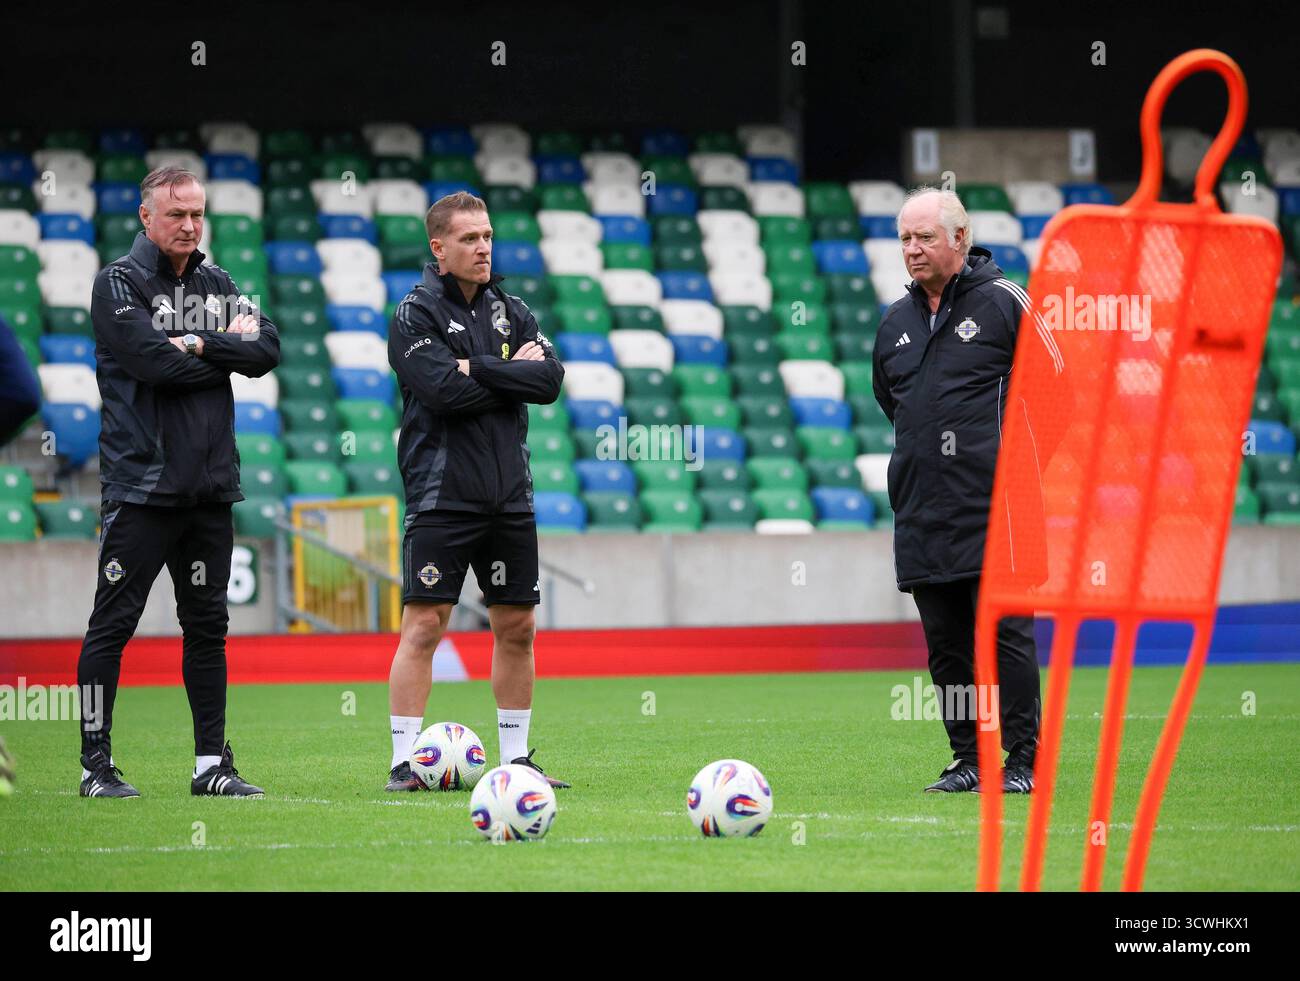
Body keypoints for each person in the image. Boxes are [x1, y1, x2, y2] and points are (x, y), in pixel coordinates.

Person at [76, 166, 279, 798]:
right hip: (141, 489)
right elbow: (154, 366)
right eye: (176, 215)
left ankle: (210, 765)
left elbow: (267, 350)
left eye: (196, 214)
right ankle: (94, 765)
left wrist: (194, 342)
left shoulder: (217, 280)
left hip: (209, 490)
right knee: (112, 627)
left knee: (208, 628)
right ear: (146, 217)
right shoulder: (117, 283)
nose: (189, 226)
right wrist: (218, 350)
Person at [873, 187, 1067, 794]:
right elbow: (893, 402)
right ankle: (969, 759)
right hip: (924, 508)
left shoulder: (1006, 303)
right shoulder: (894, 323)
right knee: (947, 644)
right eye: (905, 238)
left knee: (1006, 632)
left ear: (960, 238)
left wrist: (1009, 465)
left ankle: (1022, 759)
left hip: (999, 506)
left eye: (924, 237)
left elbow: (1058, 393)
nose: (912, 249)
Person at [384, 191, 568, 792]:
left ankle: (515, 758)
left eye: (487, 236)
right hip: (442, 494)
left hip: (509, 494)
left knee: (517, 626)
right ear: (439, 248)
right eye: (468, 238)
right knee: (426, 624)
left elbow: (550, 382)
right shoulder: (415, 313)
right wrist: (509, 370)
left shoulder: (510, 309)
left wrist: (477, 366)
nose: (483, 247)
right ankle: (404, 761)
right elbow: (441, 392)